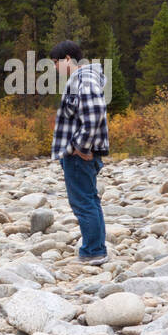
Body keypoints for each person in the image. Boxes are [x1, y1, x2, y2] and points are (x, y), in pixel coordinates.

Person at [49, 40, 109, 265]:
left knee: (83, 202)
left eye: (55, 62)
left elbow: (94, 114)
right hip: (80, 153)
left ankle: (93, 252)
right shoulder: (85, 79)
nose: (54, 68)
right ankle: (96, 249)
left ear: (67, 59)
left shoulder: (83, 79)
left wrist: (79, 147)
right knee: (89, 200)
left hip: (78, 155)